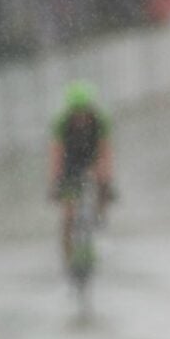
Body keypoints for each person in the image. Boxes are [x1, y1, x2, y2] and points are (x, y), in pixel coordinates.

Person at [49, 81, 114, 266]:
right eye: (76, 111)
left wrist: (105, 179)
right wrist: (56, 182)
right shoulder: (61, 123)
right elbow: (55, 155)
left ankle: (100, 221)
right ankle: (68, 257)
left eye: (84, 110)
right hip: (70, 160)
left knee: (103, 184)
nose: (81, 116)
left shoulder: (100, 121)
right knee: (68, 215)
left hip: (92, 157)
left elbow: (106, 152)